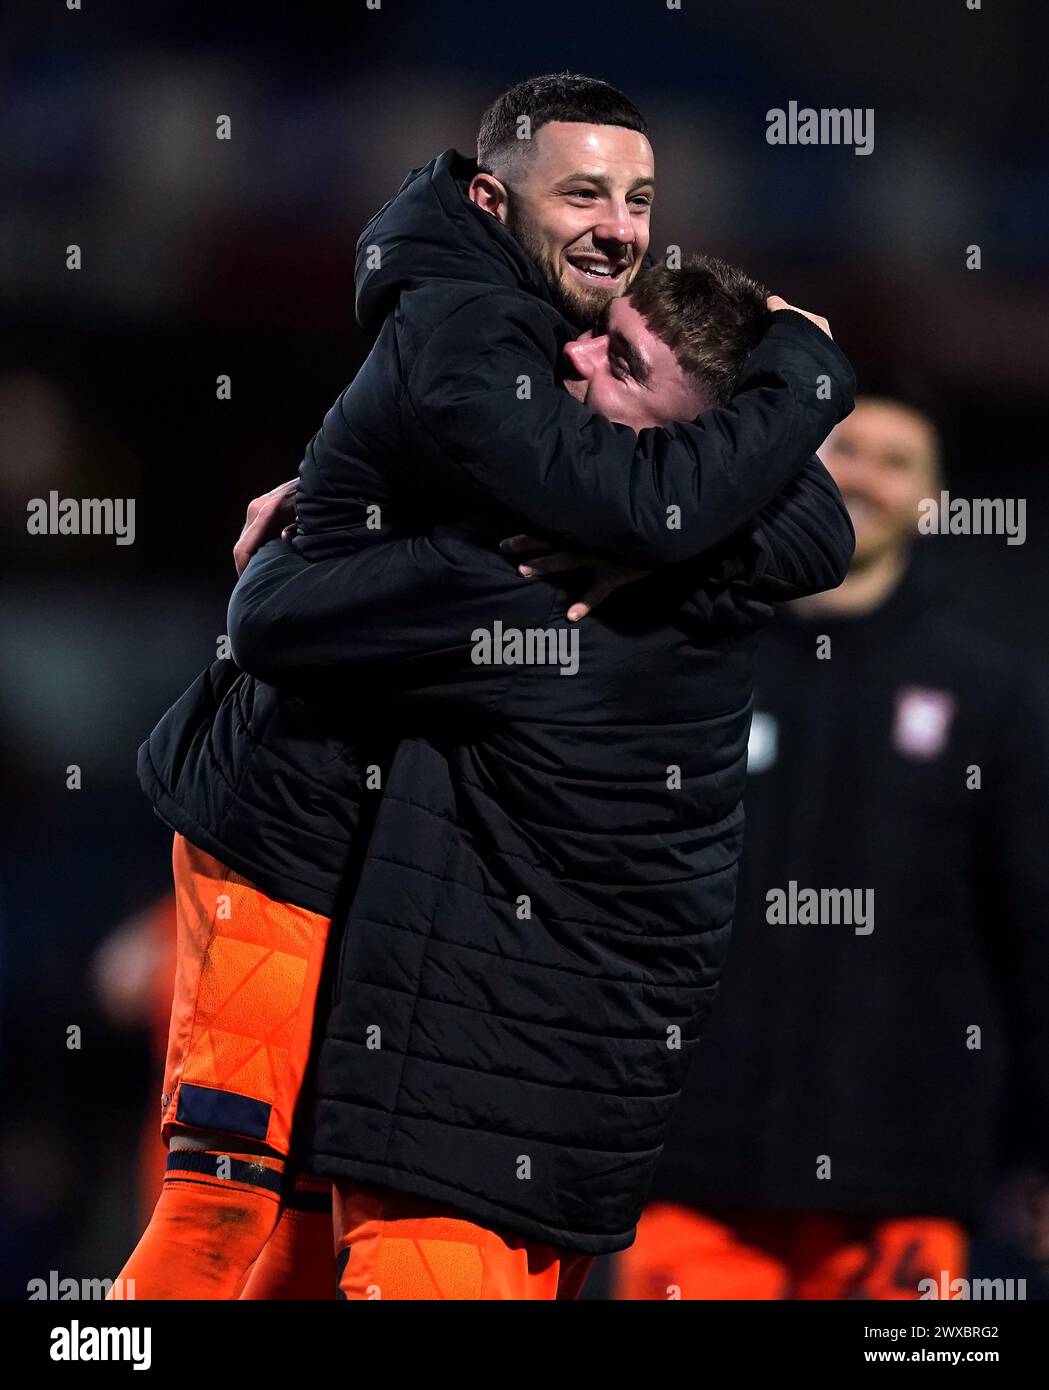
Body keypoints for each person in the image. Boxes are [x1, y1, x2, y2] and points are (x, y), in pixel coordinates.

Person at [118, 73, 854, 1300]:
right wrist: (801, 373)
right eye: (580, 192)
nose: (617, 230)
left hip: (396, 866)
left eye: (638, 196)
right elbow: (271, 614)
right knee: (220, 1200)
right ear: (489, 197)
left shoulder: (587, 383)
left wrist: (704, 475)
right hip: (282, 818)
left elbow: (800, 527)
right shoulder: (467, 333)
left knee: (290, 1227)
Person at [615, 396, 1049, 1300]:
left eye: (896, 462)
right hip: (690, 1165)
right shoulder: (700, 654)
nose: (863, 476)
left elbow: (1034, 929)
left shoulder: (991, 694)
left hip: (904, 1178)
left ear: (931, 501)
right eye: (846, 449)